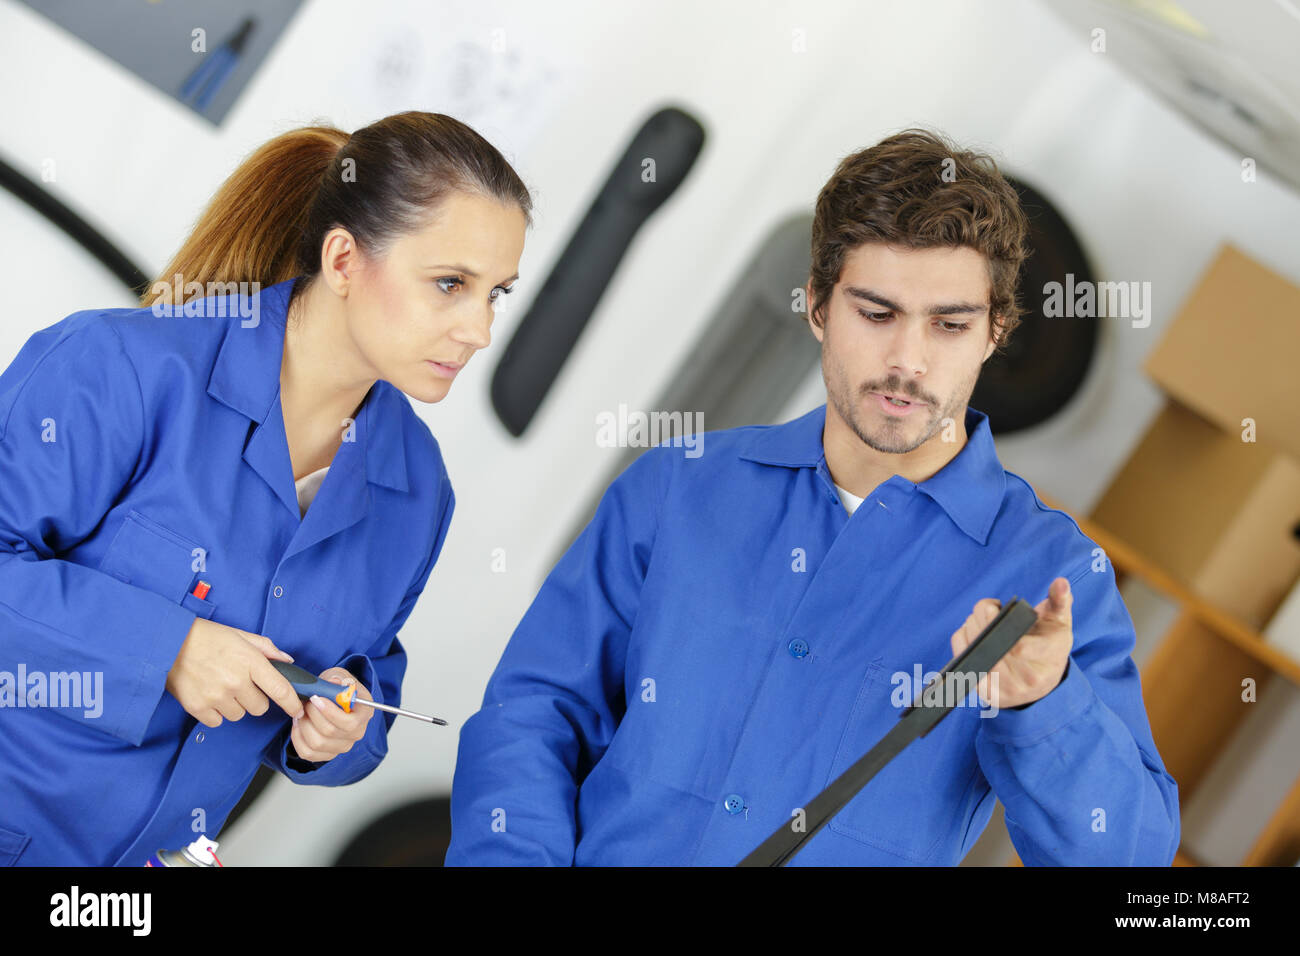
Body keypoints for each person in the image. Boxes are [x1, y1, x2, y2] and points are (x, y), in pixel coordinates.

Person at [445, 129, 1180, 866]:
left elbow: (1129, 858)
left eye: (950, 325)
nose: (908, 361)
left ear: (996, 332)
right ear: (818, 307)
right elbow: (532, 718)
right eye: (876, 313)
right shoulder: (679, 490)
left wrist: (1044, 706)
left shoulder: (1051, 575)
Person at [0, 111, 530, 866]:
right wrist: (170, 648)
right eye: (450, 284)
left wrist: (341, 733)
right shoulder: (125, 369)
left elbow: (368, 677)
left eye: (496, 295)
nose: (479, 329)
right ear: (343, 261)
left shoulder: (417, 494)